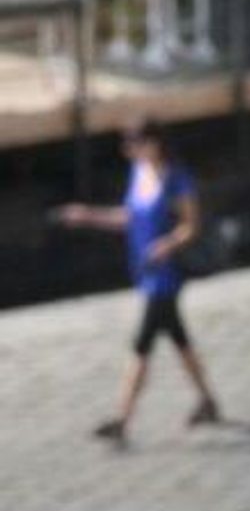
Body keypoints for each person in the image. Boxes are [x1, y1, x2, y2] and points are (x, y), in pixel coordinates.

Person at [52, 120, 222, 444]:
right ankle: (208, 401)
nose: (129, 149)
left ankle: (122, 418)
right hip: (146, 270)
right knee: (179, 339)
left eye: (135, 142)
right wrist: (87, 215)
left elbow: (191, 226)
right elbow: (129, 217)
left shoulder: (176, 178)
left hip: (168, 273)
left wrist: (165, 245)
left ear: (155, 142)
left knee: (141, 343)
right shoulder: (139, 174)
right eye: (127, 143)